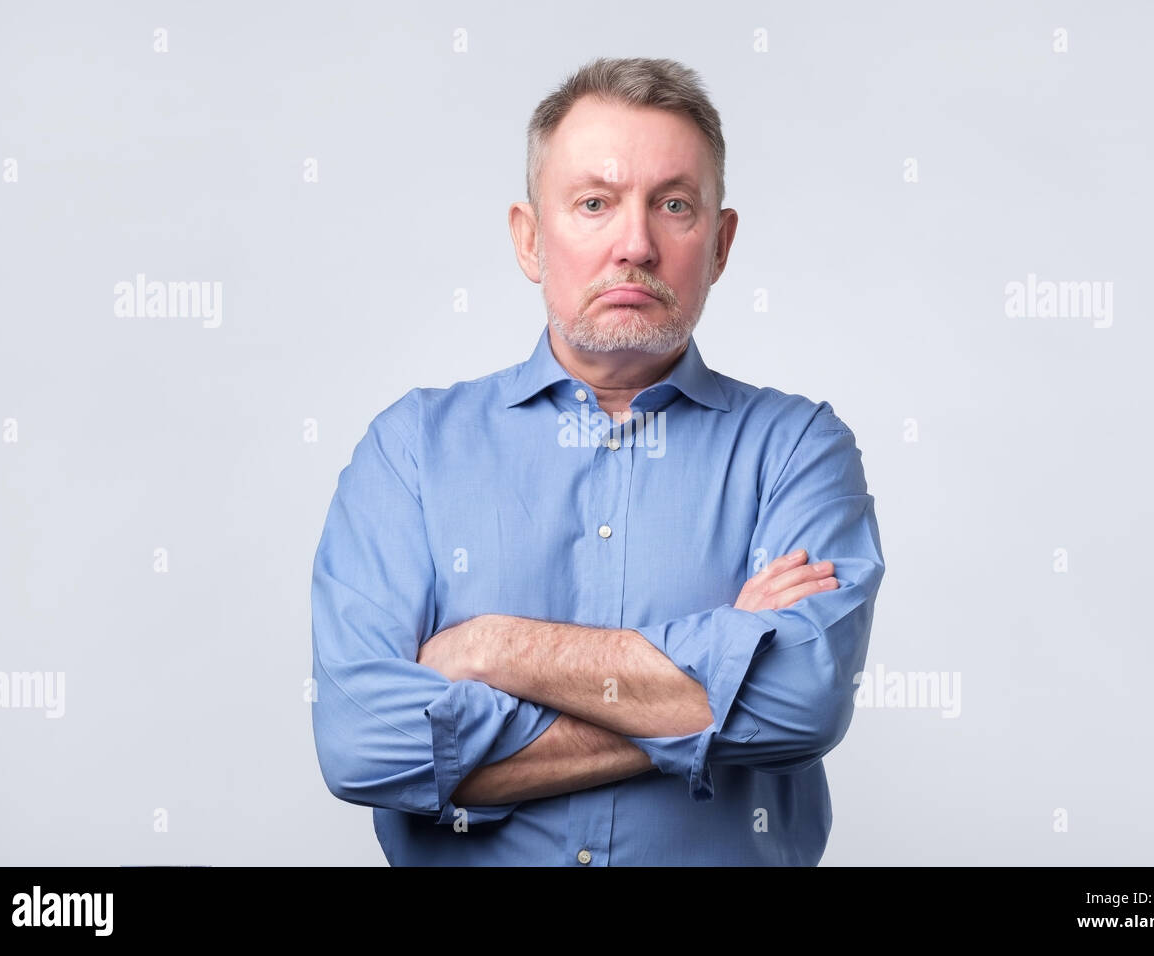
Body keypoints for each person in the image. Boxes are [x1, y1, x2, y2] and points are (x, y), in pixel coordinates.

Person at [310, 56, 886, 865]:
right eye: (594, 204)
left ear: (719, 244)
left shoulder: (798, 449)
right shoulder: (410, 450)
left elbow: (800, 703)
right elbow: (365, 744)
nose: (636, 244)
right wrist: (715, 674)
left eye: (674, 205)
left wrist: (495, 649)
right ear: (529, 238)